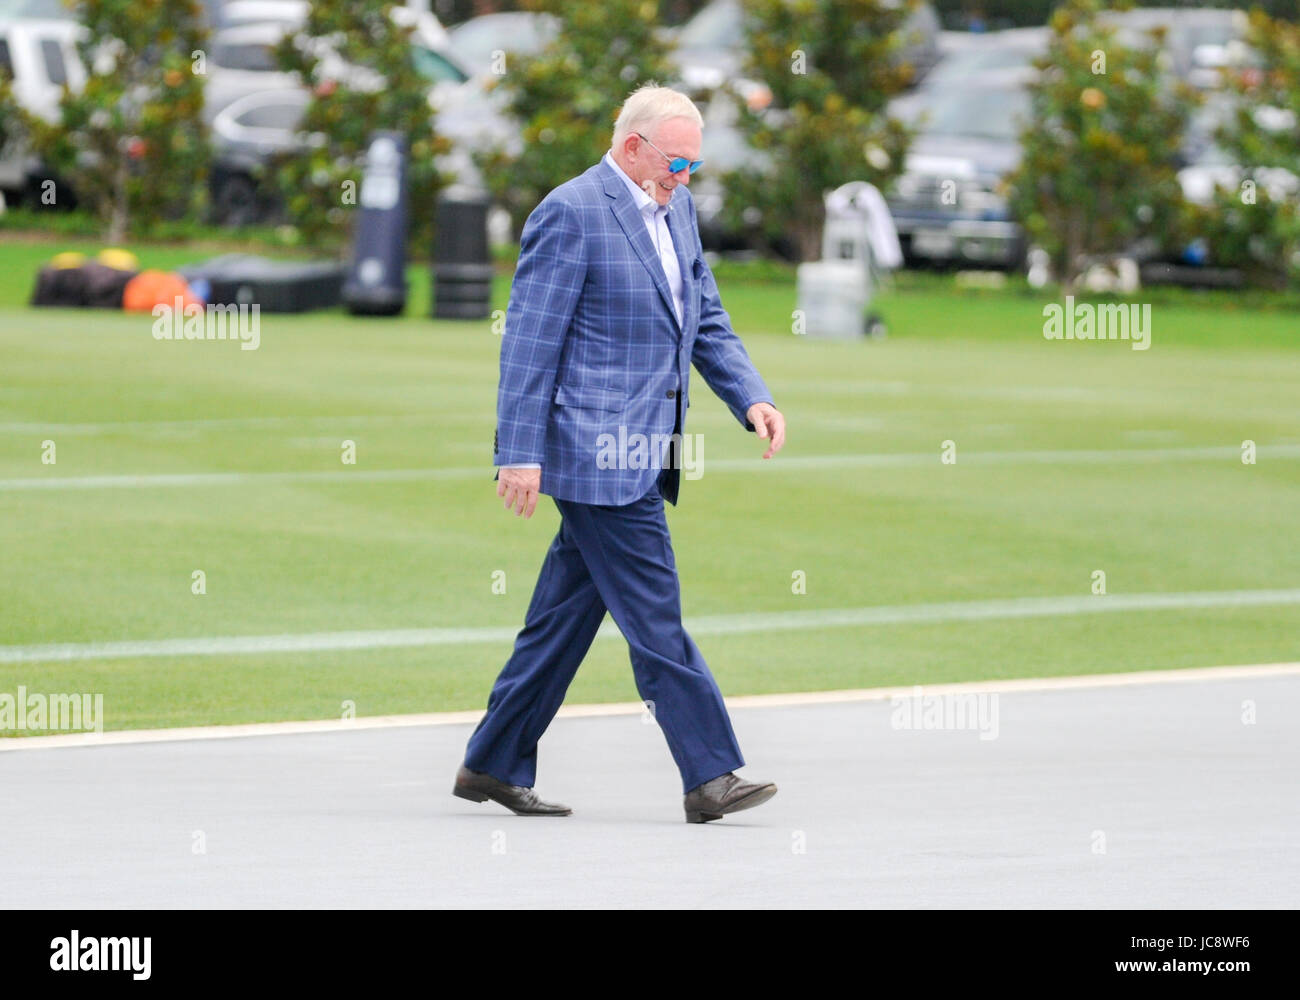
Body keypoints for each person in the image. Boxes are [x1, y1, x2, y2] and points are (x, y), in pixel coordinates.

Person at [453, 84, 786, 824]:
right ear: (632, 145)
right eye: (676, 162)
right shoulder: (571, 212)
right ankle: (711, 776)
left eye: (694, 166)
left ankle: (491, 762)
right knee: (655, 616)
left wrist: (751, 397)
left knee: (562, 620)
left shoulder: (680, 210)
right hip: (594, 452)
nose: (685, 177)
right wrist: (519, 453)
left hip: (646, 444)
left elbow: (705, 318)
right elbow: (530, 344)